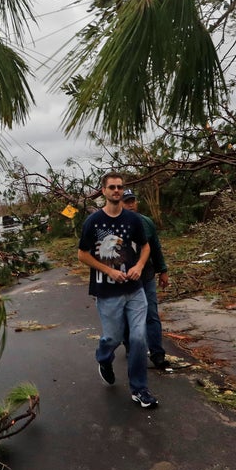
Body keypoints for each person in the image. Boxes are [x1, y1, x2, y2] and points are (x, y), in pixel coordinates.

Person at [77, 172, 159, 409]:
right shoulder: (93, 222)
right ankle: (104, 358)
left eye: (120, 187)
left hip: (135, 289)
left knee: (138, 338)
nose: (116, 191)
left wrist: (140, 266)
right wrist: (109, 270)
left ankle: (140, 389)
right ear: (103, 191)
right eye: (112, 187)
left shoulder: (133, 220)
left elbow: (145, 247)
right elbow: (82, 255)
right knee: (112, 337)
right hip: (107, 291)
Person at [122, 189, 170, 370]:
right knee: (126, 314)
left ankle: (157, 354)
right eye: (127, 201)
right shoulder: (115, 224)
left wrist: (163, 271)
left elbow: (155, 248)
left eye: (132, 201)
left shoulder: (146, 223)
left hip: (146, 275)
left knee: (151, 314)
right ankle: (129, 346)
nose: (131, 204)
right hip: (124, 278)